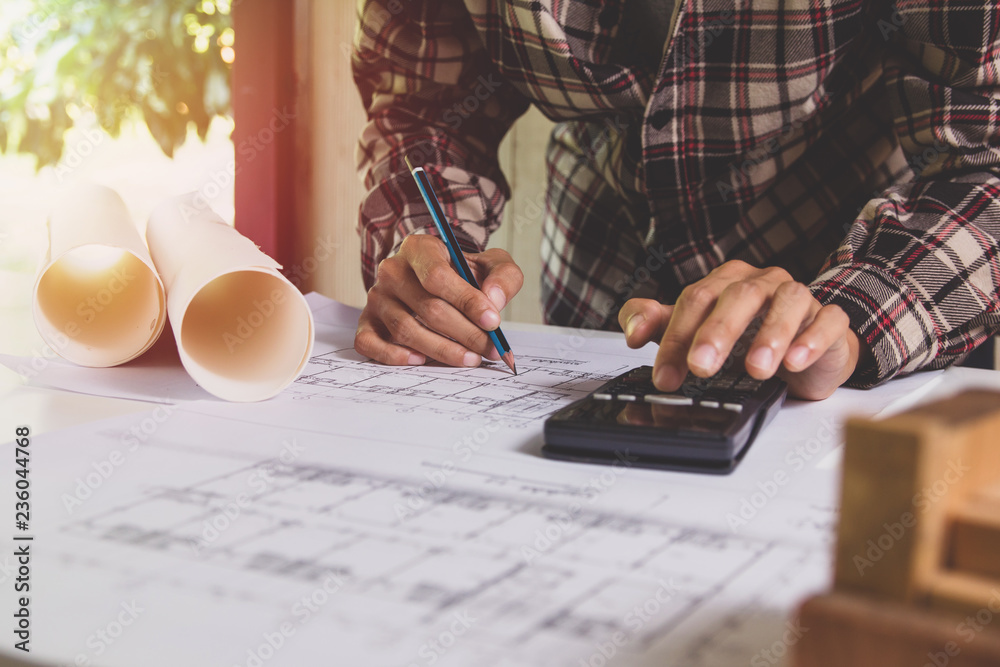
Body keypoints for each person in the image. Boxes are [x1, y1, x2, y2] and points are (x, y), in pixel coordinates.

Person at [350, 0, 1000, 400]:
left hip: (861, 287)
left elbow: (986, 161)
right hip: (594, 284)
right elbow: (424, 106)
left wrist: (851, 319)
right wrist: (428, 245)